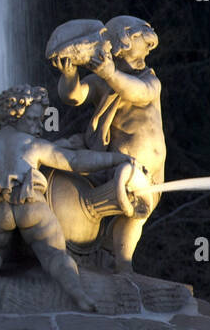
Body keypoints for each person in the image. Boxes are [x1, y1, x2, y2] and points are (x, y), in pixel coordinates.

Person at [0, 85, 142, 311]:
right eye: (34, 119)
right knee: (54, 255)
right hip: (31, 206)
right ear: (15, 116)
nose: (39, 127)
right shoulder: (32, 145)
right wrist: (116, 159)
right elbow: (75, 161)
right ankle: (78, 293)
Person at [52, 15, 165, 272]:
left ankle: (124, 266)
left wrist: (110, 74)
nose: (147, 50)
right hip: (111, 162)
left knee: (135, 214)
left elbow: (136, 92)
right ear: (121, 42)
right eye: (142, 42)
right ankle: (93, 253)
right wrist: (69, 74)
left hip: (146, 169)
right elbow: (74, 97)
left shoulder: (150, 80)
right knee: (110, 213)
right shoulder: (102, 81)